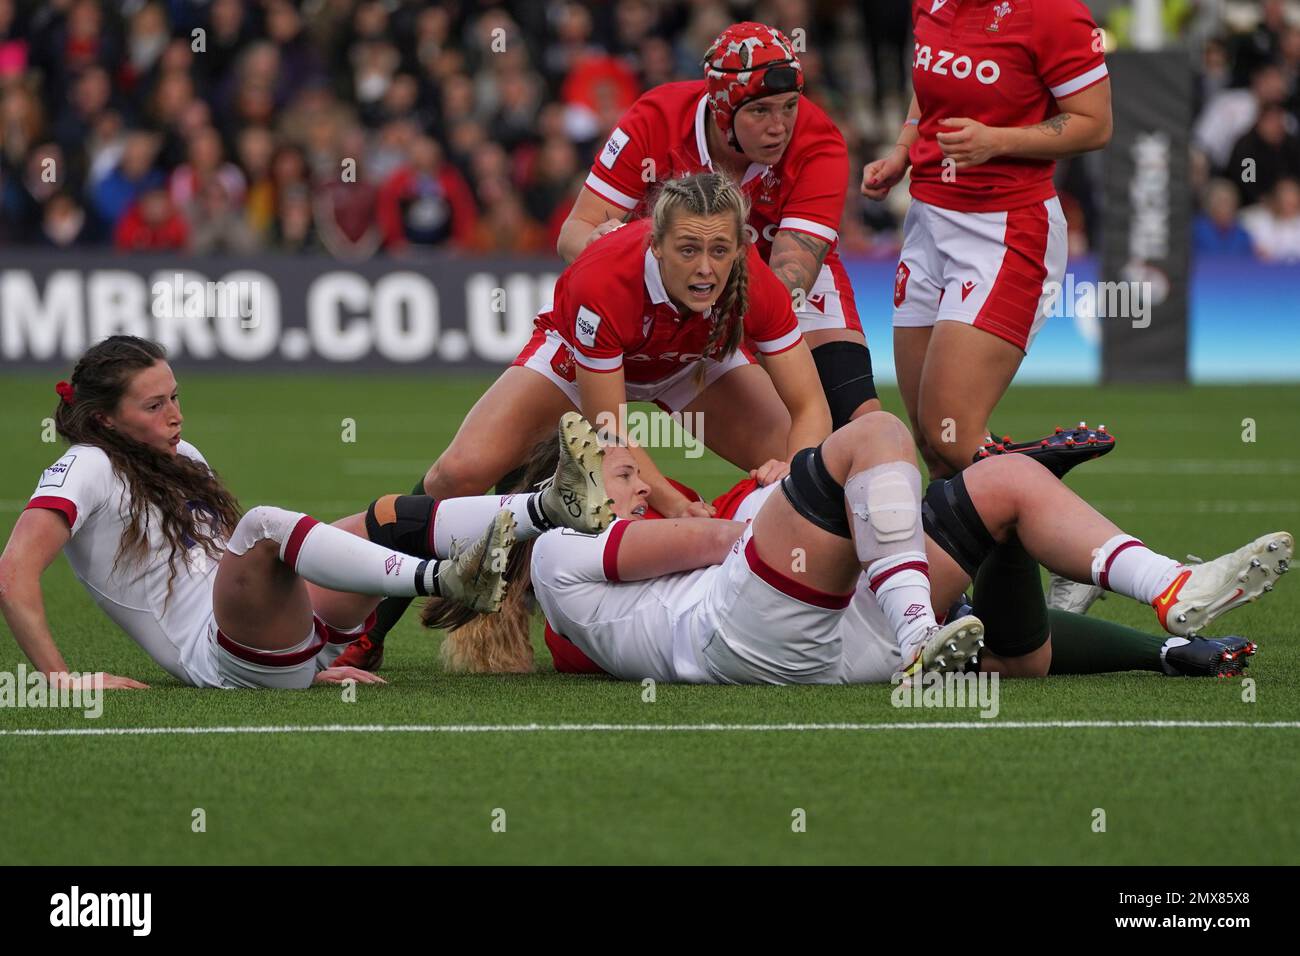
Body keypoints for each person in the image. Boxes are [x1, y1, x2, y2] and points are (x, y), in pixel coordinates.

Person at [335, 171, 832, 670]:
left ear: (740, 248)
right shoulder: (605, 280)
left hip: (691, 364)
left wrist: (793, 468)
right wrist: (677, 505)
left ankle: (832, 602)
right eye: (687, 250)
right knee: (458, 472)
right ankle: (368, 632)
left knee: (812, 471)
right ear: (656, 246)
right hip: (579, 363)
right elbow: (610, 432)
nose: (706, 269)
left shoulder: (754, 283)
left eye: (720, 251)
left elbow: (809, 407)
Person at [432, 413, 1289, 686]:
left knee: (1008, 495)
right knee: (873, 432)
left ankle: (1173, 585)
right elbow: (724, 535)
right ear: (571, 495)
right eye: (620, 470)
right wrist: (794, 489)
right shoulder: (558, 557)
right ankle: (926, 626)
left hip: (832, 634)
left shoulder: (575, 574)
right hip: (751, 626)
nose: (637, 471)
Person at [0, 336, 613, 690]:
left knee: (391, 516)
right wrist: (60, 681)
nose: (175, 416)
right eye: (155, 405)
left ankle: (547, 507)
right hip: (221, 655)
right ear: (105, 419)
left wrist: (304, 674)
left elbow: (221, 563)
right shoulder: (88, 464)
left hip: (284, 640)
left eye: (176, 397)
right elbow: (13, 573)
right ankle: (444, 579)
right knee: (263, 524)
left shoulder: (180, 453)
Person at [558, 21, 881, 430]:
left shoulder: (818, 142)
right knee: (483, 459)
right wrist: (602, 254)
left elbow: (789, 281)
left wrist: (705, 312)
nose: (780, 126)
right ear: (722, 109)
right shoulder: (656, 118)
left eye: (789, 106)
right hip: (662, 287)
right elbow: (575, 231)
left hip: (759, 293)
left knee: (859, 421)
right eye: (761, 110)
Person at [861, 0, 1113, 478]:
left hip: (1006, 227)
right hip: (926, 221)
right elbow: (931, 88)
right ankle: (1001, 546)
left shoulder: (1054, 12)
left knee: (950, 429)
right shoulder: (930, 4)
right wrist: (902, 152)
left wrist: (998, 140)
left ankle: (1097, 541)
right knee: (935, 446)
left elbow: (1095, 123)